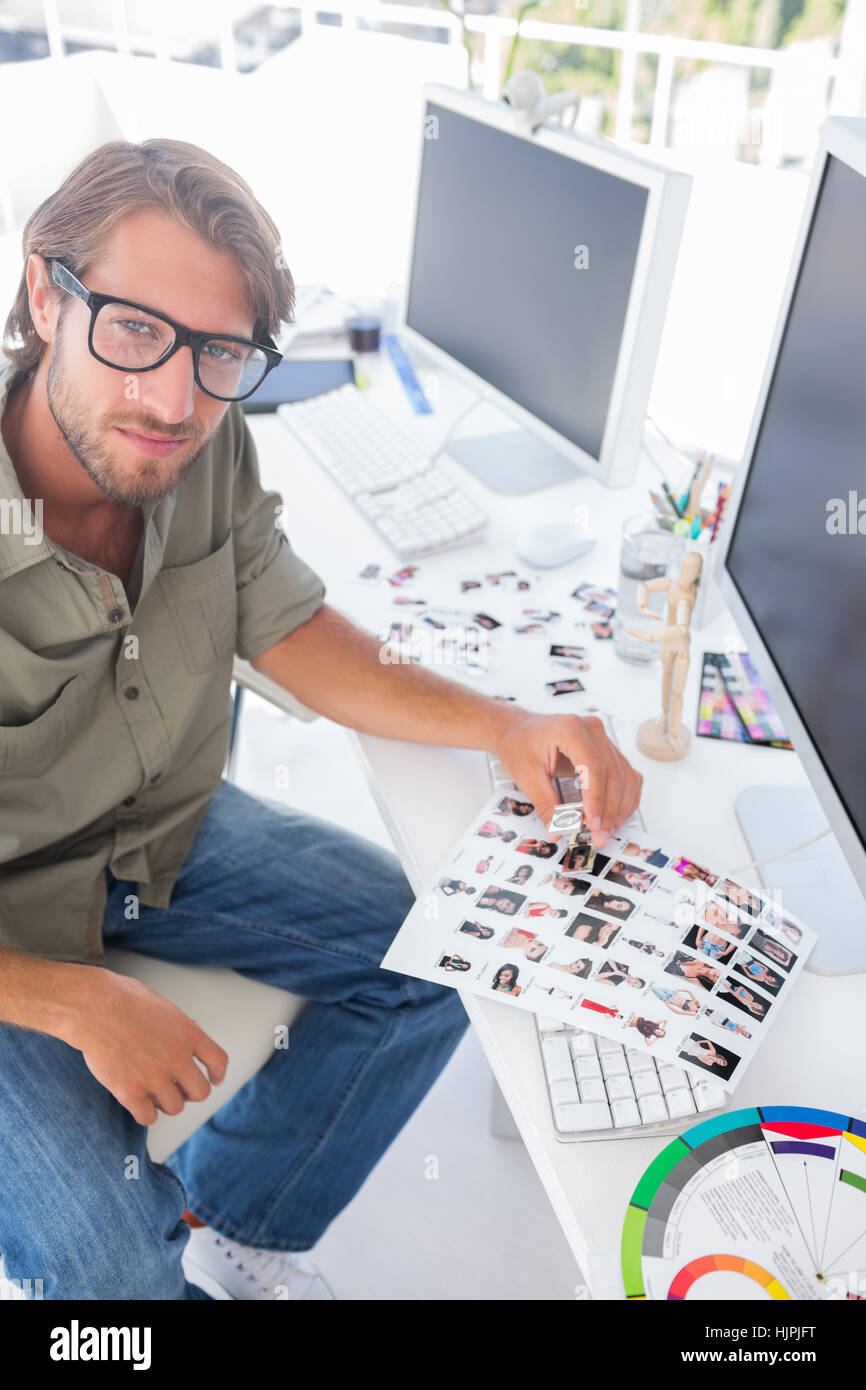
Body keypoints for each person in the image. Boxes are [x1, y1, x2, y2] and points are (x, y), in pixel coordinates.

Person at [0, 138, 642, 1302]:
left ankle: (237, 1223)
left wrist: (498, 722)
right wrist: (63, 997)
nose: (172, 397)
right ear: (46, 294)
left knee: (434, 950)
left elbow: (283, 620)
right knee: (100, 1267)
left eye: (219, 353)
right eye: (134, 329)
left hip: (153, 838)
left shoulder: (202, 439)